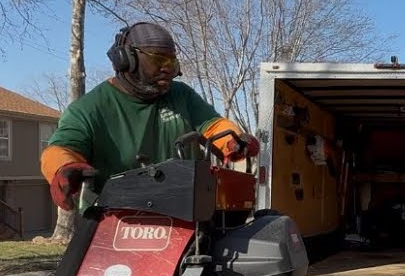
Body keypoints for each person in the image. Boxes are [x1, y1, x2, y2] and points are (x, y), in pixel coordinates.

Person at [40, 21, 260, 211]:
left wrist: (232, 142)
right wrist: (63, 169)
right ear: (127, 60)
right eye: (157, 61)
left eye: (171, 62)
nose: (167, 69)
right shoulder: (89, 108)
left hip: (184, 213)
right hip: (115, 220)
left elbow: (212, 126)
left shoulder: (181, 95)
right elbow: (62, 148)